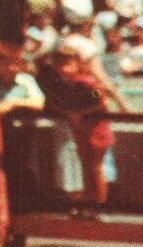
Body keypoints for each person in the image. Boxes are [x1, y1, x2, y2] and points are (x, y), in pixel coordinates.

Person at [39, 38, 126, 215]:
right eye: (59, 64)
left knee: (96, 166)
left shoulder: (86, 82)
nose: (62, 68)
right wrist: (69, 112)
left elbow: (101, 100)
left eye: (67, 64)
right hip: (81, 129)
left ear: (78, 64)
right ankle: (89, 202)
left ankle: (99, 205)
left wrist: (80, 113)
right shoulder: (67, 84)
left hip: (96, 129)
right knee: (86, 165)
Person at [0, 52, 45, 228]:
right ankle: (1, 218)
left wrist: (12, 103)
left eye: (15, 64)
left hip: (23, 134)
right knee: (0, 172)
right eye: (7, 64)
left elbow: (39, 103)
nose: (12, 68)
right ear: (0, 66)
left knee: (25, 171)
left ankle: (23, 217)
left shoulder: (27, 81)